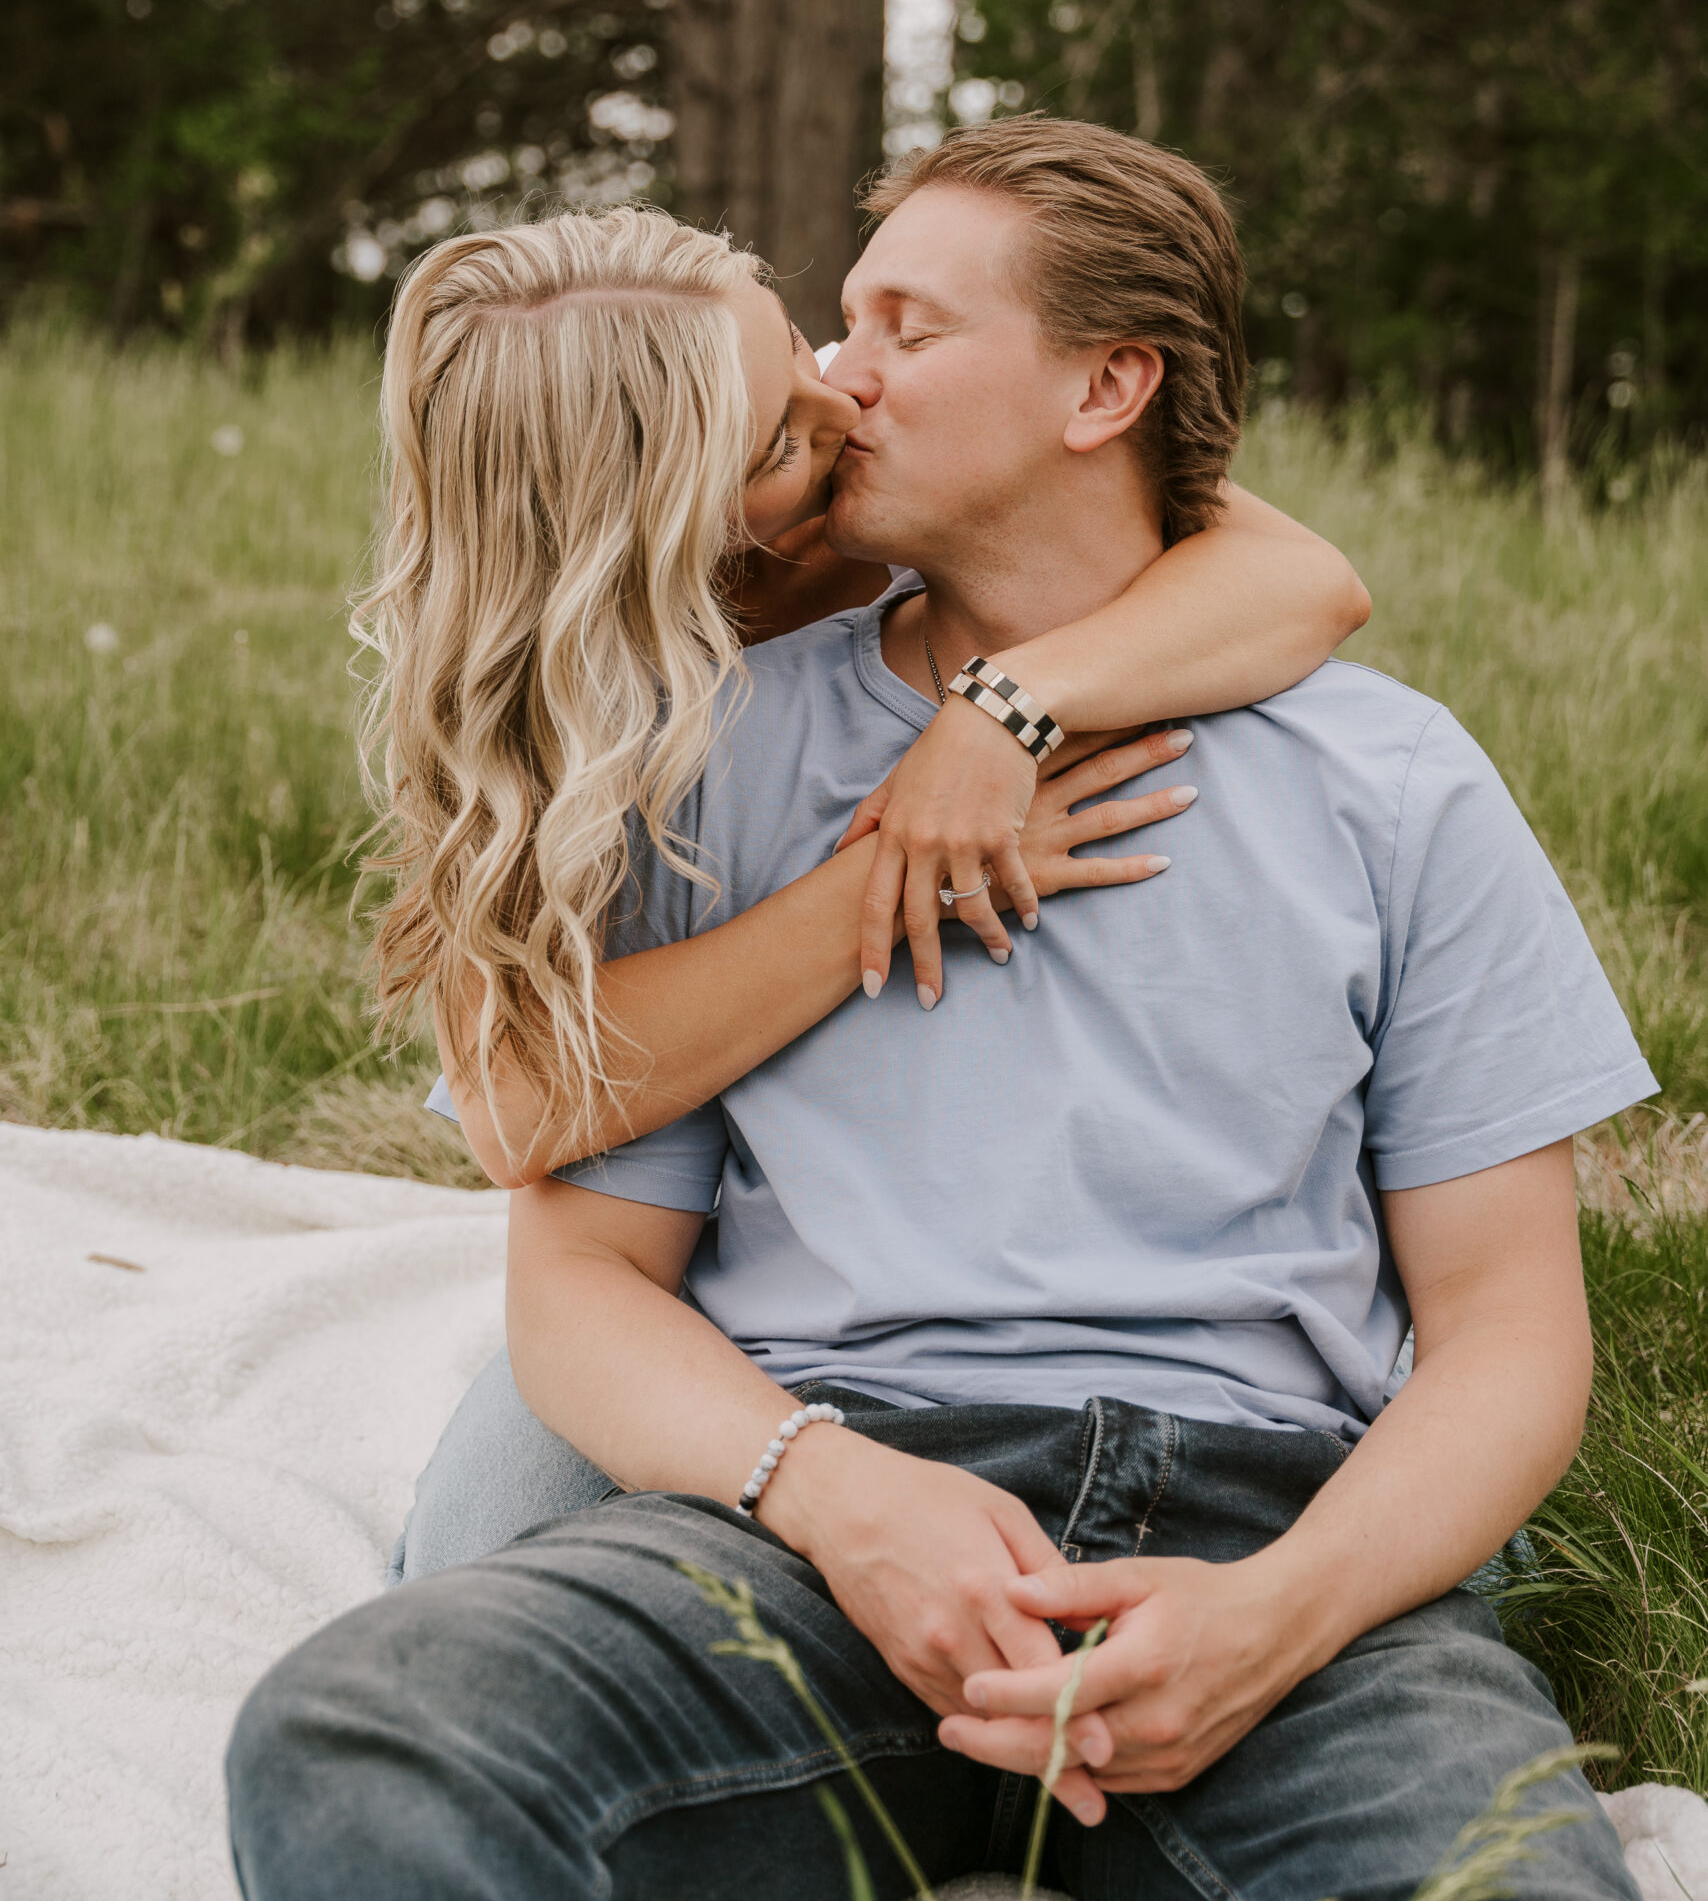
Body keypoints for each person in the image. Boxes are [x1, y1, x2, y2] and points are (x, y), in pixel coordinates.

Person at [229, 120, 1653, 1900]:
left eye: (903, 327)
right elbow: (559, 1210)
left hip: (1259, 1546)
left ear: (1102, 386)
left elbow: (1510, 1334)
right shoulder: (697, 746)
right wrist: (836, 1493)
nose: (839, 381)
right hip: (815, 1514)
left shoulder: (1389, 777)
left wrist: (1273, 1622)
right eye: (825, 344)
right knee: (373, 1723)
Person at [358, 200, 1366, 1197]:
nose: (843, 406)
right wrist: (899, 871)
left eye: (801, 346)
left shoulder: (887, 438)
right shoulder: (573, 685)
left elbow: (1308, 582)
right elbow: (516, 1108)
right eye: (777, 449)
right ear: (651, 530)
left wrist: (995, 711)